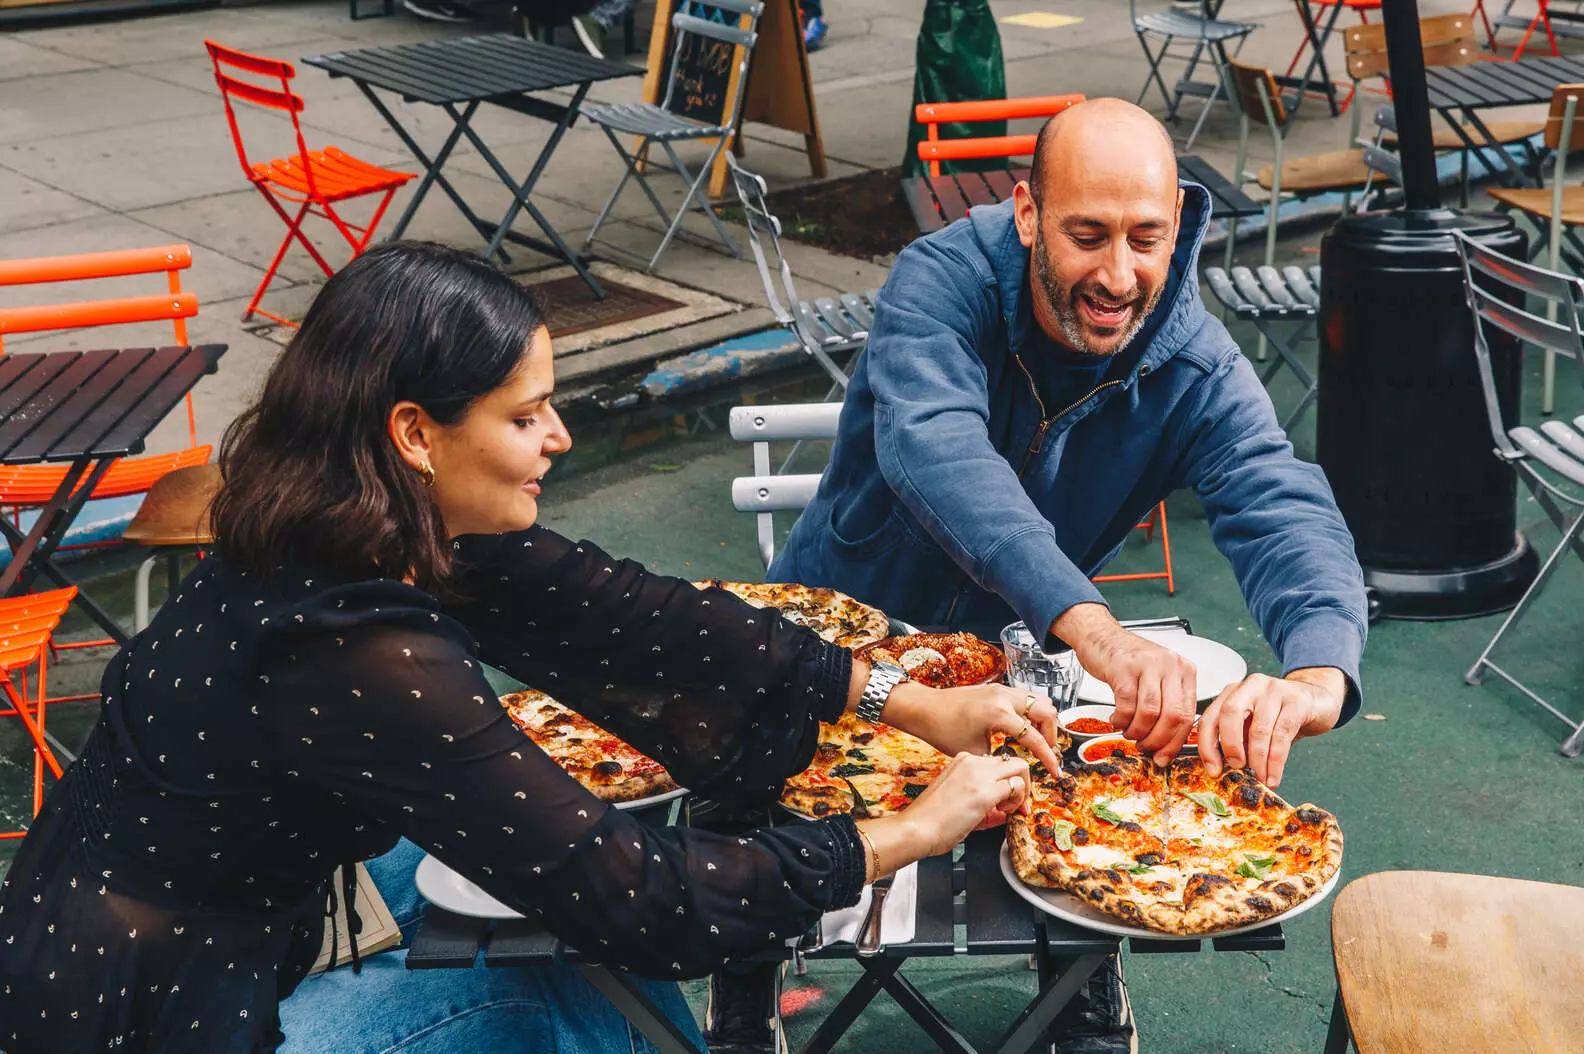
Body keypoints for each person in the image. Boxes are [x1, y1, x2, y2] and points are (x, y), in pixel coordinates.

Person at [0, 242, 1064, 1053]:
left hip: (202, 922)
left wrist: (902, 700)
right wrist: (913, 828)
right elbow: (646, 900)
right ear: (417, 433)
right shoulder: (357, 650)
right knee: (546, 981)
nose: (559, 438)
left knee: (570, 908)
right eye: (528, 415)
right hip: (145, 1015)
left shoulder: (362, 515)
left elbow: (637, 613)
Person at [769, 98, 1369, 1052]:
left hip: (1022, 677)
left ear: (1178, 220)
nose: (1118, 274)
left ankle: (1079, 971)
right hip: (849, 651)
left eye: (1146, 238)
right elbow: (940, 456)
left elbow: (1278, 500)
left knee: (1106, 784)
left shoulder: (1196, 363)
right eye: (1087, 234)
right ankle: (747, 976)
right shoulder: (940, 281)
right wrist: (1096, 628)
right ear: (1025, 212)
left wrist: (1317, 674)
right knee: (763, 801)